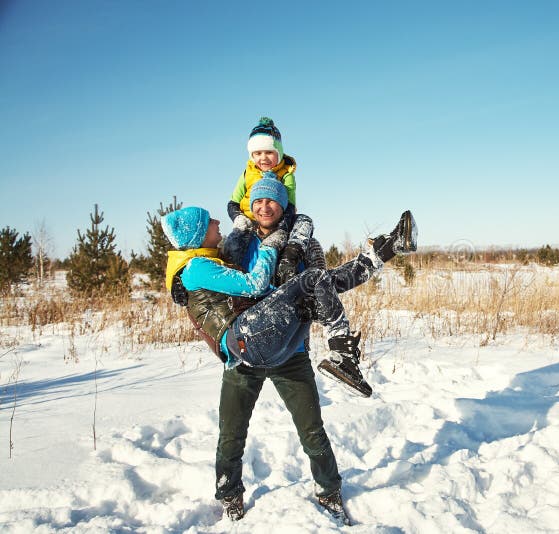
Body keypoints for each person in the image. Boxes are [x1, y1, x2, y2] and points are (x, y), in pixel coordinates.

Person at [162, 180, 416, 522]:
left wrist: (376, 257)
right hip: (243, 354)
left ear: (284, 206)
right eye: (258, 201)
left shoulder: (305, 244)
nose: (265, 206)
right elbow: (207, 281)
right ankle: (230, 496)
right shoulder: (235, 244)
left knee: (312, 429)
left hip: (291, 352)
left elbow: (330, 281)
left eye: (273, 201)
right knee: (231, 432)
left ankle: (330, 493)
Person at [225, 116, 317, 285]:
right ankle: (235, 275)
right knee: (233, 247)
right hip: (248, 224)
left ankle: (287, 269)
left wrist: (282, 230)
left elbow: (290, 206)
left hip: (277, 223)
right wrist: (239, 219)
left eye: (269, 152)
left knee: (301, 223)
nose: (263, 158)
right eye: (257, 153)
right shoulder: (247, 173)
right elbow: (233, 203)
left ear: (279, 153)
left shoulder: (287, 175)